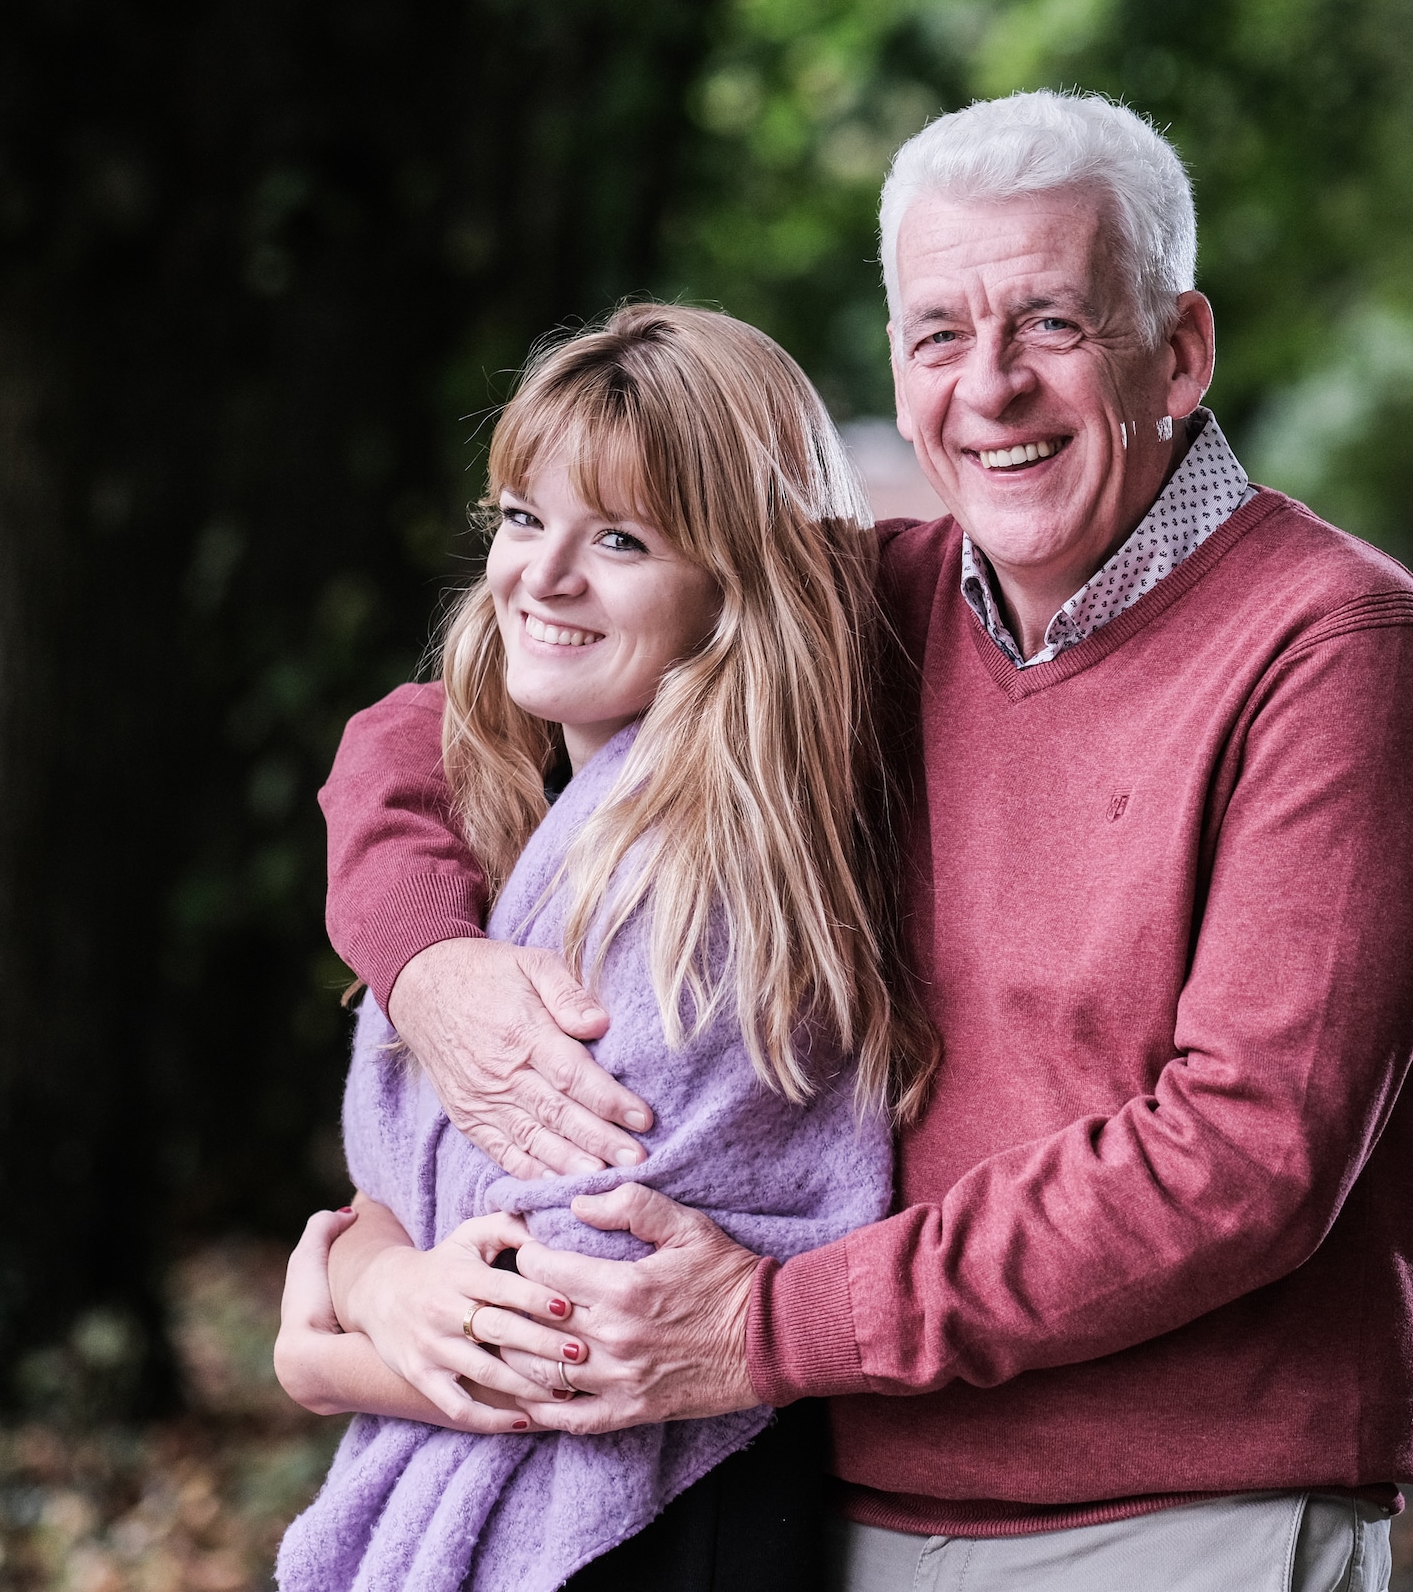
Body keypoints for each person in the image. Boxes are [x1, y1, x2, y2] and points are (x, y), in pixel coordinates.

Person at [320, 91, 1413, 1592]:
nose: (990, 386)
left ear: (1181, 351)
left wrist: (771, 1325)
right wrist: (433, 964)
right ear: (898, 366)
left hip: (1182, 1515)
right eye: (941, 334)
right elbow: (446, 709)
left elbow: (1246, 1156)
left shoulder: (1335, 646)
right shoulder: (872, 607)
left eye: (1052, 324)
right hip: (842, 1503)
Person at [272, 304, 926, 1591]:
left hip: (650, 1526)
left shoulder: (694, 888)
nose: (542, 576)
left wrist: (326, 1341)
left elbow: (574, 1332)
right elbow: (443, 1211)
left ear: (735, 589)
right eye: (522, 517)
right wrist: (375, 1263)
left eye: (619, 540)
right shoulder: (532, 823)